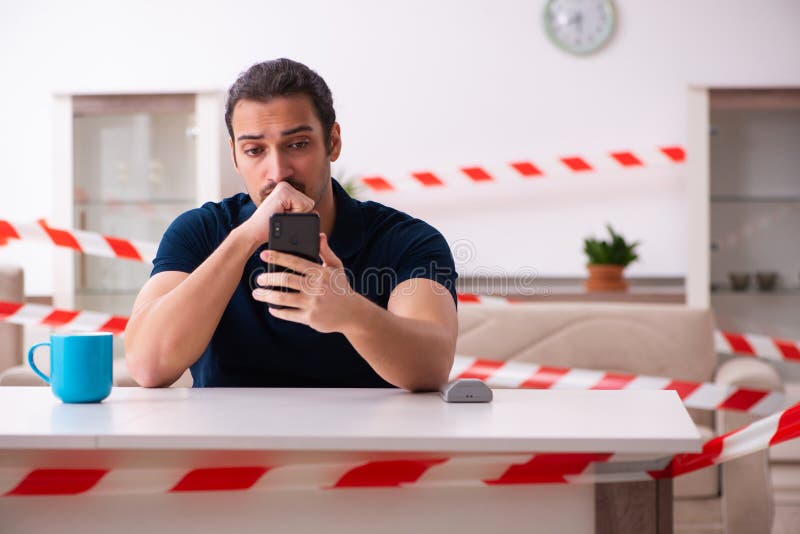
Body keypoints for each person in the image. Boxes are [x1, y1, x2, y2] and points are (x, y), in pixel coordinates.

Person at [124, 58, 458, 391]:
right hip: (230, 427)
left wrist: (352, 313)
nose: (278, 172)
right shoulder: (200, 231)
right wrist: (244, 239)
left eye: (297, 145)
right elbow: (147, 367)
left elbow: (432, 368)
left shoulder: (406, 240)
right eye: (254, 150)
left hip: (364, 428)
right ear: (234, 155)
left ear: (332, 142)